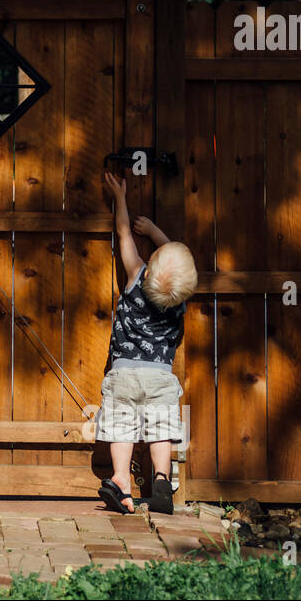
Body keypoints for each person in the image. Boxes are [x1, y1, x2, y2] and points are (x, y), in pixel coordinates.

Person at [95, 171, 197, 515]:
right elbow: (173, 263)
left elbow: (124, 231)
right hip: (161, 377)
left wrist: (120, 198)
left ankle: (121, 479)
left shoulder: (136, 275)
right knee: (161, 430)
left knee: (121, 425)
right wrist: (155, 232)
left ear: (150, 270)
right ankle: (161, 482)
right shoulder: (178, 299)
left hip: (124, 373)